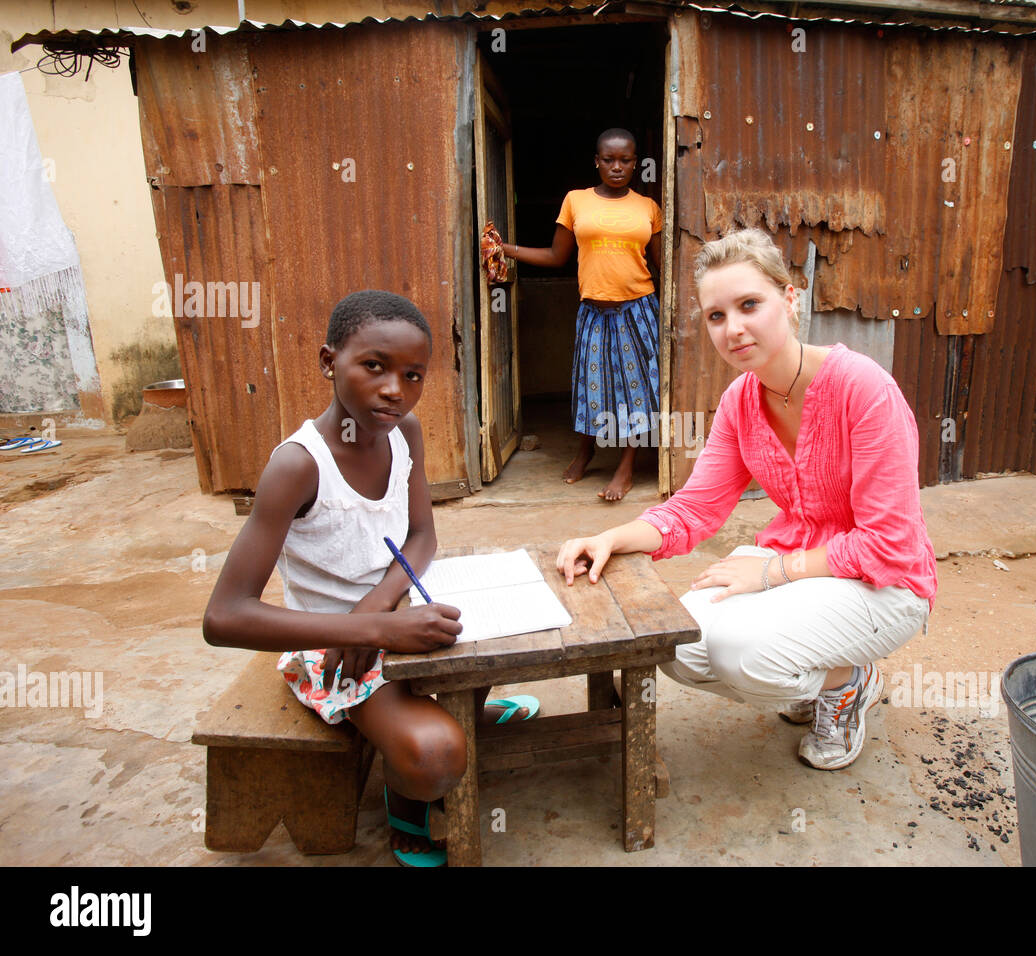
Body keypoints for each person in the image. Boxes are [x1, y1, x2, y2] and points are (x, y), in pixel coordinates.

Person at [556, 230, 937, 771]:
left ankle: (850, 679)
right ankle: (816, 675)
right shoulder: (741, 400)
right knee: (677, 645)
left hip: (885, 582)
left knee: (745, 654)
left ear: (790, 300)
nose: (733, 329)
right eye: (716, 315)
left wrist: (772, 573)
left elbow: (889, 543)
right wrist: (609, 538)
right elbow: (693, 510)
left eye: (749, 305)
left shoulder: (862, 388)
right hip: (802, 566)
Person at [202, 290, 537, 866]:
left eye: (412, 376)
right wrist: (368, 631)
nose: (394, 391)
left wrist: (377, 612)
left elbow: (422, 539)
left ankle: (466, 709)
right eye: (374, 367)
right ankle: (405, 791)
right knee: (434, 759)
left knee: (507, 626)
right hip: (329, 646)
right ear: (329, 361)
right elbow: (223, 616)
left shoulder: (404, 434)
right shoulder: (299, 465)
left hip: (382, 617)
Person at [501, 127, 662, 501]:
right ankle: (587, 449)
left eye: (625, 160)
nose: (617, 167)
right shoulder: (576, 201)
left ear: (636, 163)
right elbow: (556, 257)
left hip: (638, 310)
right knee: (592, 387)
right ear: (597, 161)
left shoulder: (648, 207)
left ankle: (626, 466)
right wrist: (506, 249)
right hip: (593, 310)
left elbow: (660, 266)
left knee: (637, 390)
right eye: (609, 159)